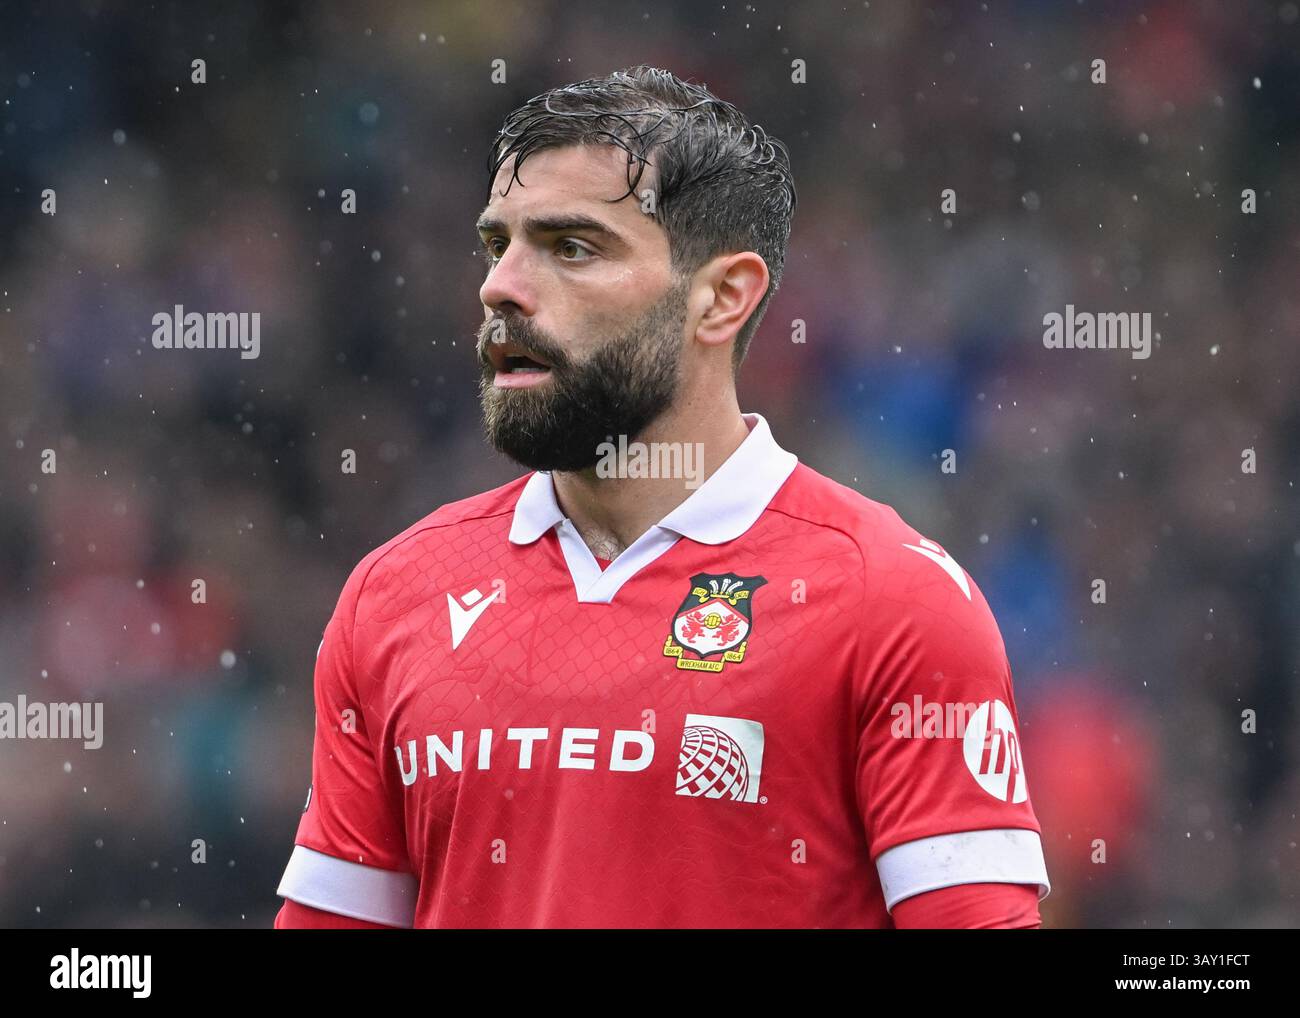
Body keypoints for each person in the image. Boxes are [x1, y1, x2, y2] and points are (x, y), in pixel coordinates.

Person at [274, 65, 1048, 929]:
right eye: (501, 245)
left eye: (572, 247)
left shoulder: (889, 600)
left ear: (721, 298)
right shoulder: (395, 596)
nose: (501, 286)